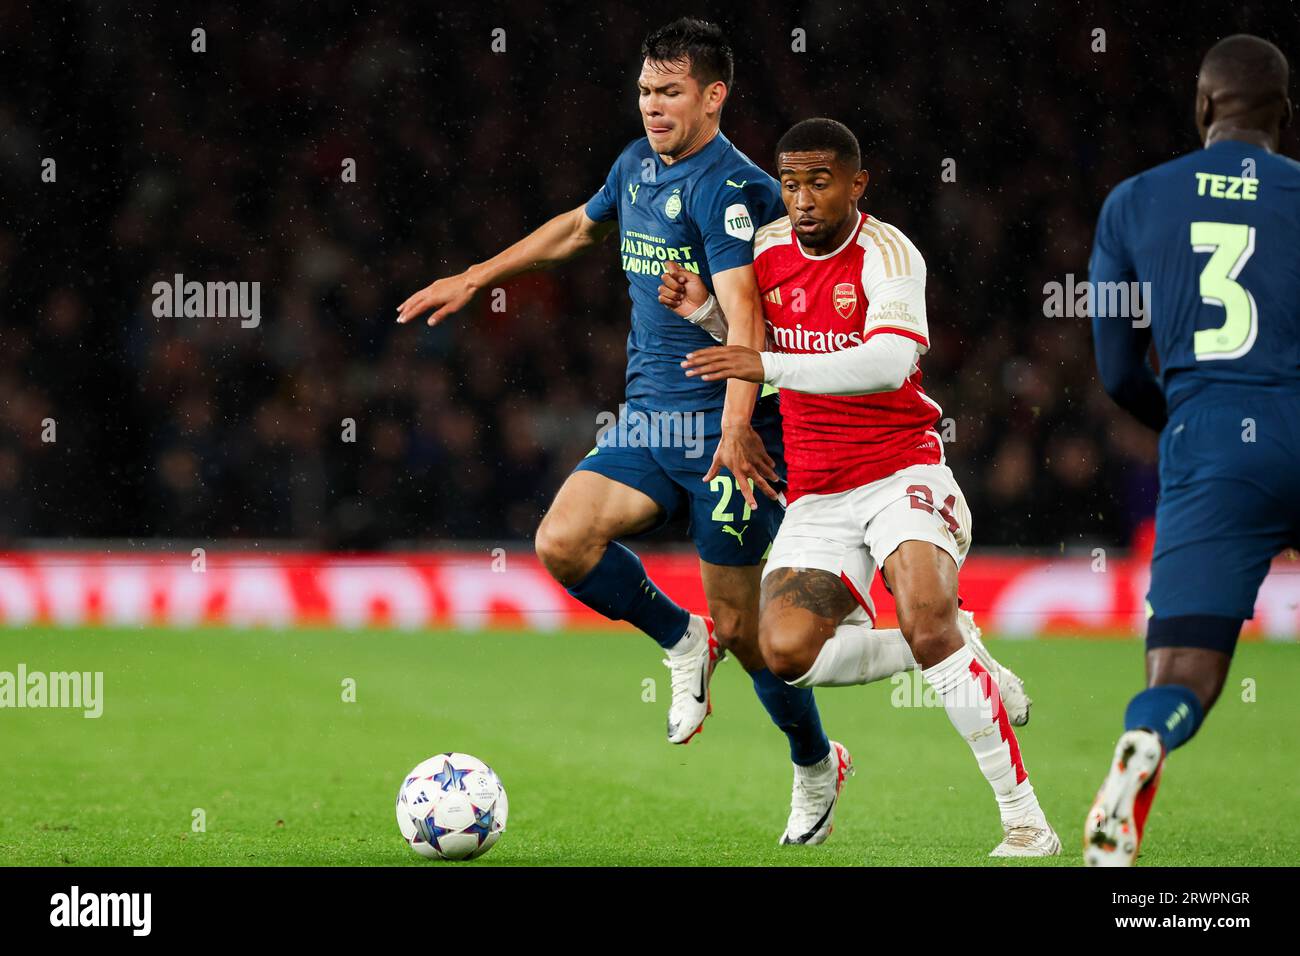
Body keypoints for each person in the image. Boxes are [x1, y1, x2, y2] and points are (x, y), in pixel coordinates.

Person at [669, 118, 1055, 855]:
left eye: (820, 181)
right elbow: (766, 343)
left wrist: (767, 367)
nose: (803, 198)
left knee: (926, 614)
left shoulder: (887, 253)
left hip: (902, 470)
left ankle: (1024, 819)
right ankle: (942, 644)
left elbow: (884, 364)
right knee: (786, 654)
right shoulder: (768, 250)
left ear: (856, 183)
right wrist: (705, 312)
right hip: (817, 491)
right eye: (790, 183)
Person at [1084, 34, 1299, 866]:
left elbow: (1112, 368)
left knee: (1181, 673)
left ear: (1204, 107)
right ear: (1284, 113)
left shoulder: (1135, 201)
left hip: (1211, 440)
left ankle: (1147, 741)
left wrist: (1189, 418)